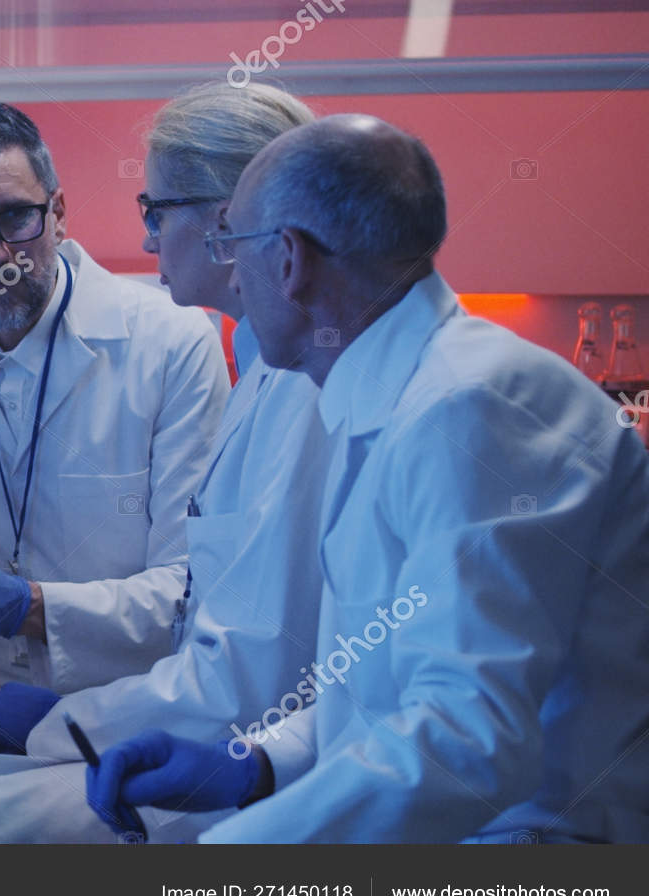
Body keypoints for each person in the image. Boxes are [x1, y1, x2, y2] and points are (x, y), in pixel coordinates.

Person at [87, 114, 649, 843]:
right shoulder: (386, 396)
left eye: (235, 244)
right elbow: (385, 690)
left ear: (288, 261)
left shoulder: (470, 407)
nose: (229, 266)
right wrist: (254, 764)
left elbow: (467, 740)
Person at [0, 83, 336, 843]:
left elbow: (201, 612)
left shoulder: (185, 345)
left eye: (15, 218)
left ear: (57, 213)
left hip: (147, 697)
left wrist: (32, 613)